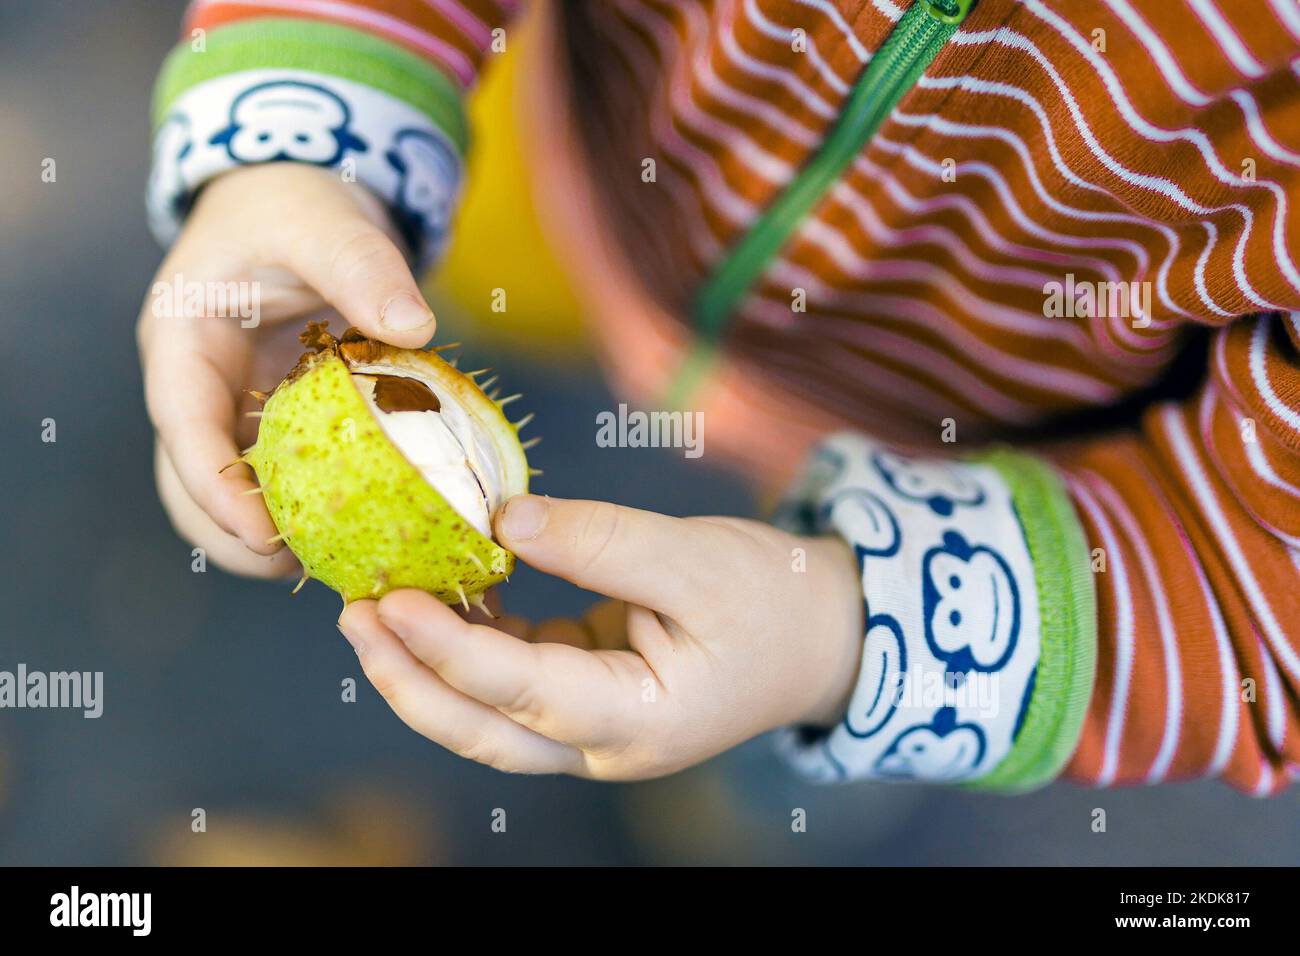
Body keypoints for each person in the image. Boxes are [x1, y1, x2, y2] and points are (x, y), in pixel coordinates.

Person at [138, 0, 1300, 792]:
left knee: (754, 631)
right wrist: (302, 137)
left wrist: (858, 638)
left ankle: (779, 735)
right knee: (449, 293)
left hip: (957, 456)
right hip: (581, 177)